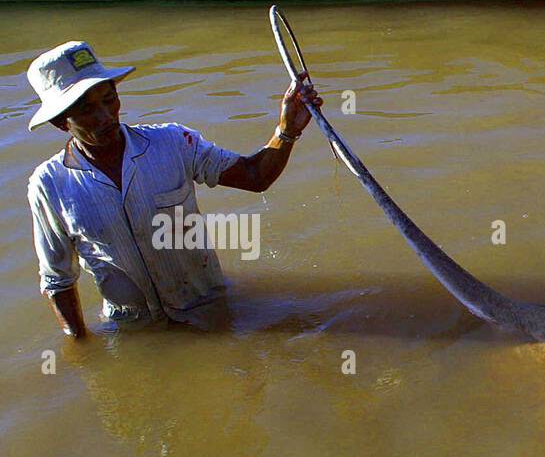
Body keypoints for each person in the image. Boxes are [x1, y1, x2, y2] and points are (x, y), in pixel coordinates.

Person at [25, 40, 323, 337]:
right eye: (87, 110)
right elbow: (58, 280)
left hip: (208, 308)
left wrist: (287, 130)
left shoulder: (174, 143)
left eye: (109, 98)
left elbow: (256, 176)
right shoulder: (49, 185)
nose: (105, 116)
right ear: (61, 122)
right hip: (133, 328)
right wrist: (82, 349)